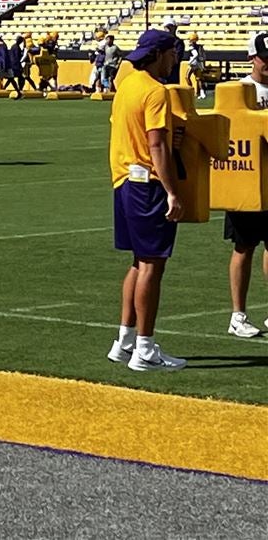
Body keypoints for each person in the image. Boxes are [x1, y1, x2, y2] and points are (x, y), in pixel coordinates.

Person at [105, 29, 185, 371]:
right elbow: (157, 145)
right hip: (146, 184)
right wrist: (172, 191)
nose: (175, 60)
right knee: (153, 264)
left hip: (123, 181)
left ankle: (124, 342)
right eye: (171, 53)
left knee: (139, 262)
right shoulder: (154, 91)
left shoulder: (127, 86)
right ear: (158, 55)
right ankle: (145, 348)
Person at [225, 31, 268, 339]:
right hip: (246, 180)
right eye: (264, 58)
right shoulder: (239, 89)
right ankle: (238, 314)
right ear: (252, 57)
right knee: (244, 245)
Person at [163, 18, 186, 83]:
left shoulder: (179, 43)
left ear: (175, 28)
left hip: (172, 76)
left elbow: (176, 59)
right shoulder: (161, 42)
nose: (169, 29)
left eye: (170, 27)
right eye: (167, 27)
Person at [185, 32, 207, 100]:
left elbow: (196, 55)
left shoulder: (192, 46)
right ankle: (202, 93)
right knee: (199, 79)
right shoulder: (200, 47)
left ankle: (191, 91)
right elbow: (203, 56)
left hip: (193, 64)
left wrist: (190, 62)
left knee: (187, 77)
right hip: (199, 64)